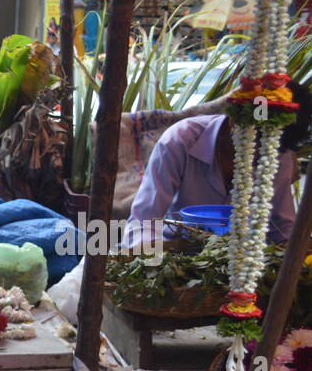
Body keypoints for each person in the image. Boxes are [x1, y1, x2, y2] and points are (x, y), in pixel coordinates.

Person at [126, 83, 312, 249]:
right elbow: (143, 222)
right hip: (175, 252)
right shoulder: (181, 140)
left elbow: (283, 230)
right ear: (235, 120)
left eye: (271, 151)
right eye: (256, 145)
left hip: (245, 263)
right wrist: (153, 259)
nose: (261, 157)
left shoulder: (279, 153)